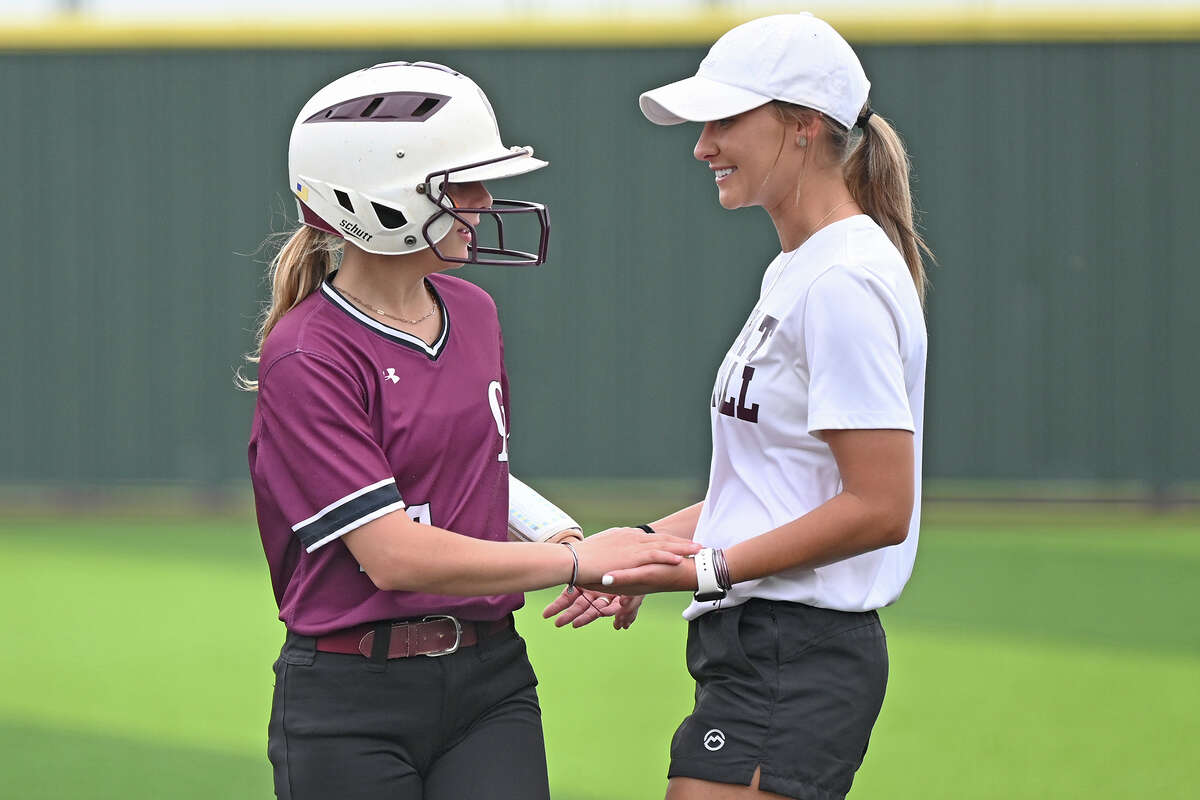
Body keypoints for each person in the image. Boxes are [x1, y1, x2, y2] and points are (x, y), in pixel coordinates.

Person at [241, 61, 699, 800]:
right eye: (458, 185)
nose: (485, 203)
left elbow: (473, 466)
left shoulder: (476, 313)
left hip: (491, 680)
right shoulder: (307, 352)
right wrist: (579, 567)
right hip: (350, 701)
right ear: (375, 199)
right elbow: (391, 555)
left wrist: (561, 536)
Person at [545, 14, 931, 800]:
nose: (702, 144)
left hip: (798, 654)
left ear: (803, 128)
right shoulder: (801, 268)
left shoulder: (842, 281)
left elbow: (880, 506)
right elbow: (774, 485)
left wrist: (703, 569)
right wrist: (646, 544)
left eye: (726, 120)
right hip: (761, 650)